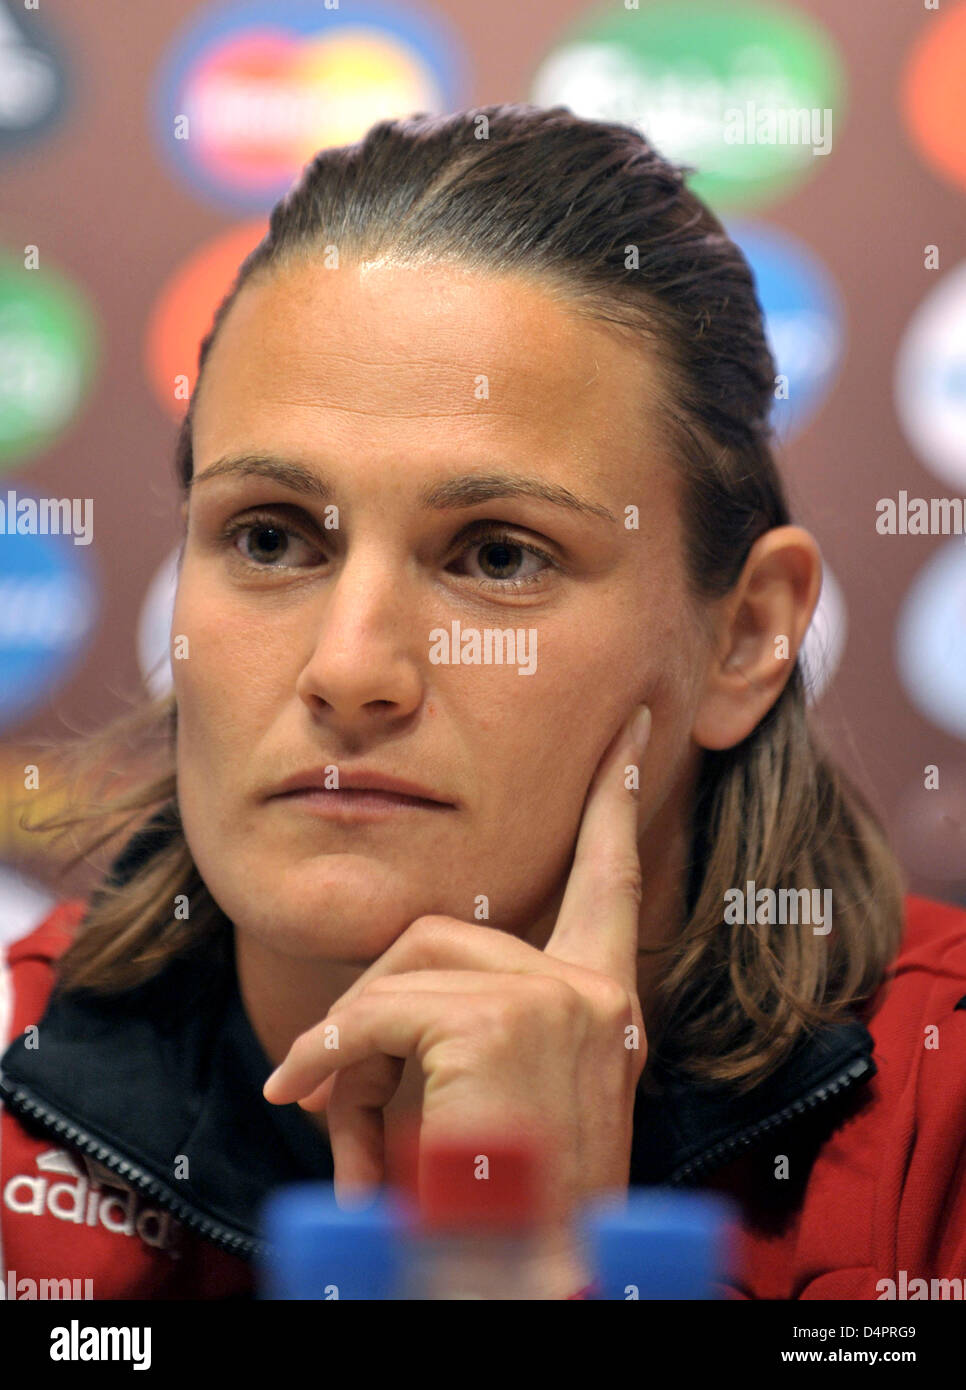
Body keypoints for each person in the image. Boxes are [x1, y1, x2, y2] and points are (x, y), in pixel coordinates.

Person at [1, 103, 963, 1302]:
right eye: (271, 537)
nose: (349, 667)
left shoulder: (941, 1115)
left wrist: (548, 1267)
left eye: (499, 556)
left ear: (747, 637)